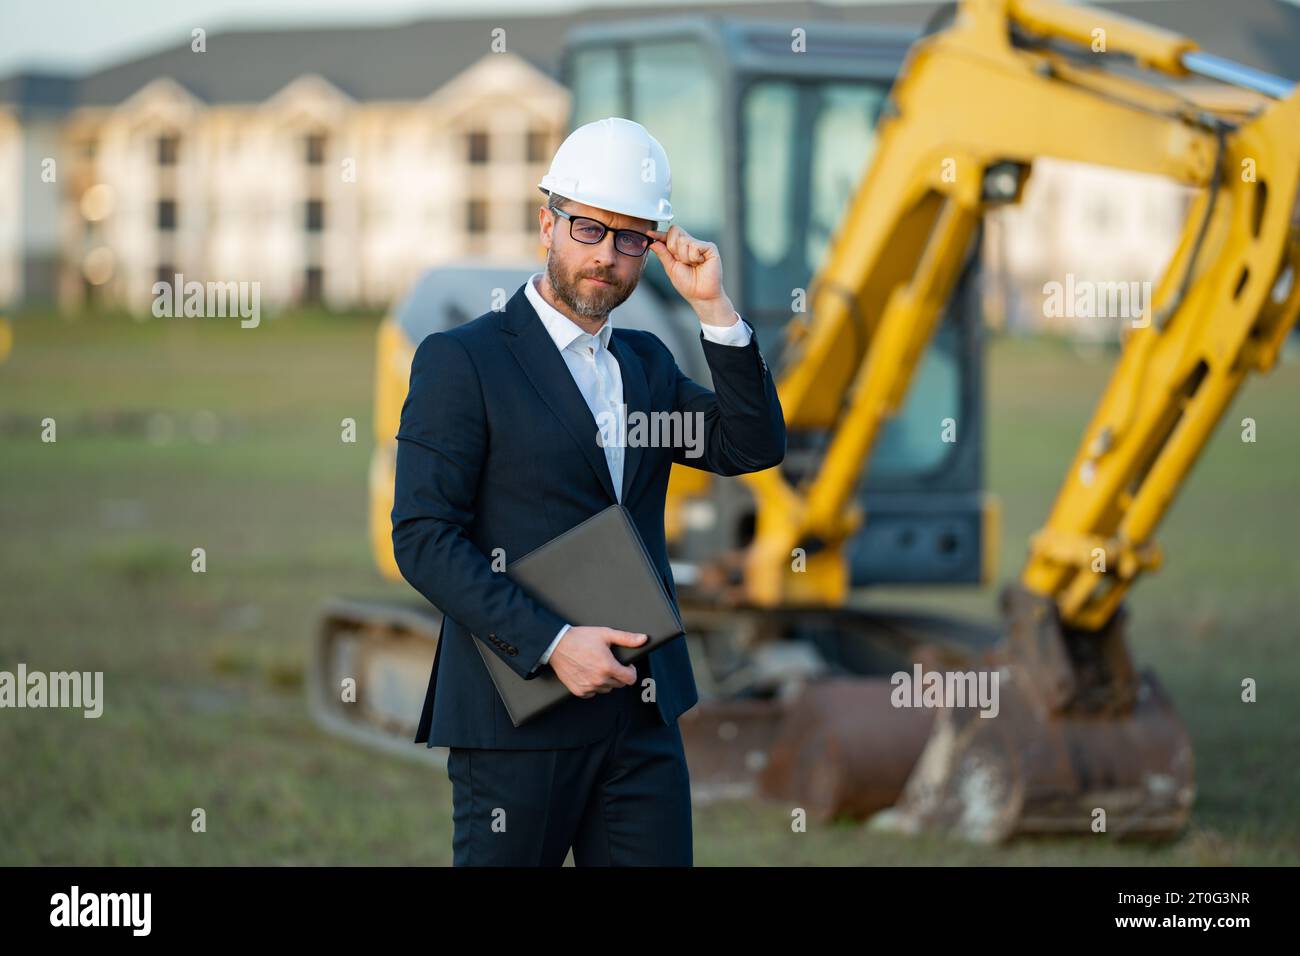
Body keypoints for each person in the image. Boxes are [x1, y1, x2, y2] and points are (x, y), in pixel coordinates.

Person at [392, 117, 786, 866]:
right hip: (518, 718)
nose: (606, 256)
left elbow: (751, 444)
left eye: (630, 237)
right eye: (588, 229)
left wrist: (713, 309)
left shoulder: (645, 364)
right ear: (548, 223)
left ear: (653, 245)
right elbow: (422, 536)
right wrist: (551, 644)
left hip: (640, 716)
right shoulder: (462, 361)